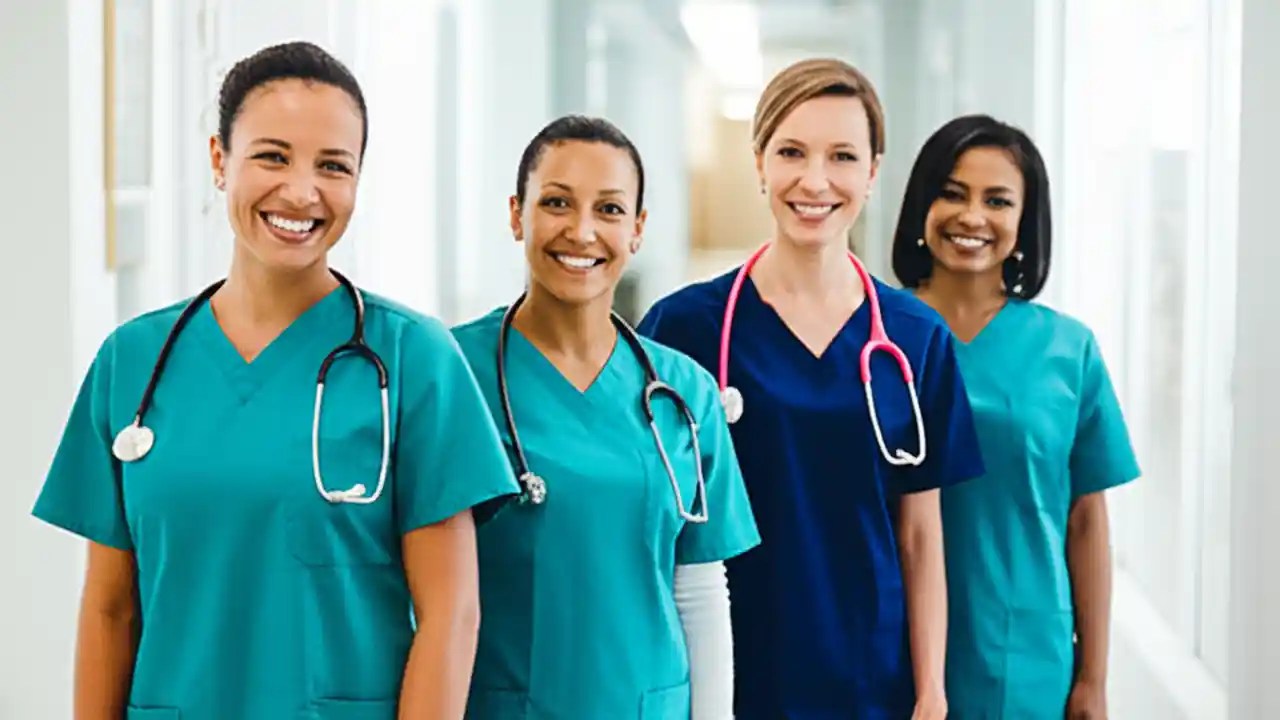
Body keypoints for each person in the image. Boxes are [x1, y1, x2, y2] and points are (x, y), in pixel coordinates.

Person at [31, 41, 519, 720]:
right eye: (272, 156)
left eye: (333, 166)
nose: (301, 191)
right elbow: (110, 608)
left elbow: (451, 614)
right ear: (219, 160)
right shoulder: (133, 361)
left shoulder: (415, 359)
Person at [638, 58, 985, 719]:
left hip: (870, 680)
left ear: (873, 173)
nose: (815, 180)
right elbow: (651, 522)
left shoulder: (916, 339)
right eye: (791, 151)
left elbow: (920, 536)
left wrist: (931, 692)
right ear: (760, 162)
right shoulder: (684, 329)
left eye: (843, 156)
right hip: (725, 677)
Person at [451, 114, 761, 719]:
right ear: (517, 215)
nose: (582, 231)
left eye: (610, 209)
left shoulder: (684, 393)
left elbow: (700, 589)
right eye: (557, 202)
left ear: (637, 229)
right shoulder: (453, 375)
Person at [890, 114, 1141, 719]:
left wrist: (1093, 679)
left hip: (1023, 653)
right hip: (887, 644)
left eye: (997, 200)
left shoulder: (1068, 350)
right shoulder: (872, 333)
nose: (972, 216)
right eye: (952, 193)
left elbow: (1086, 521)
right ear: (922, 205)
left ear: (1025, 221)